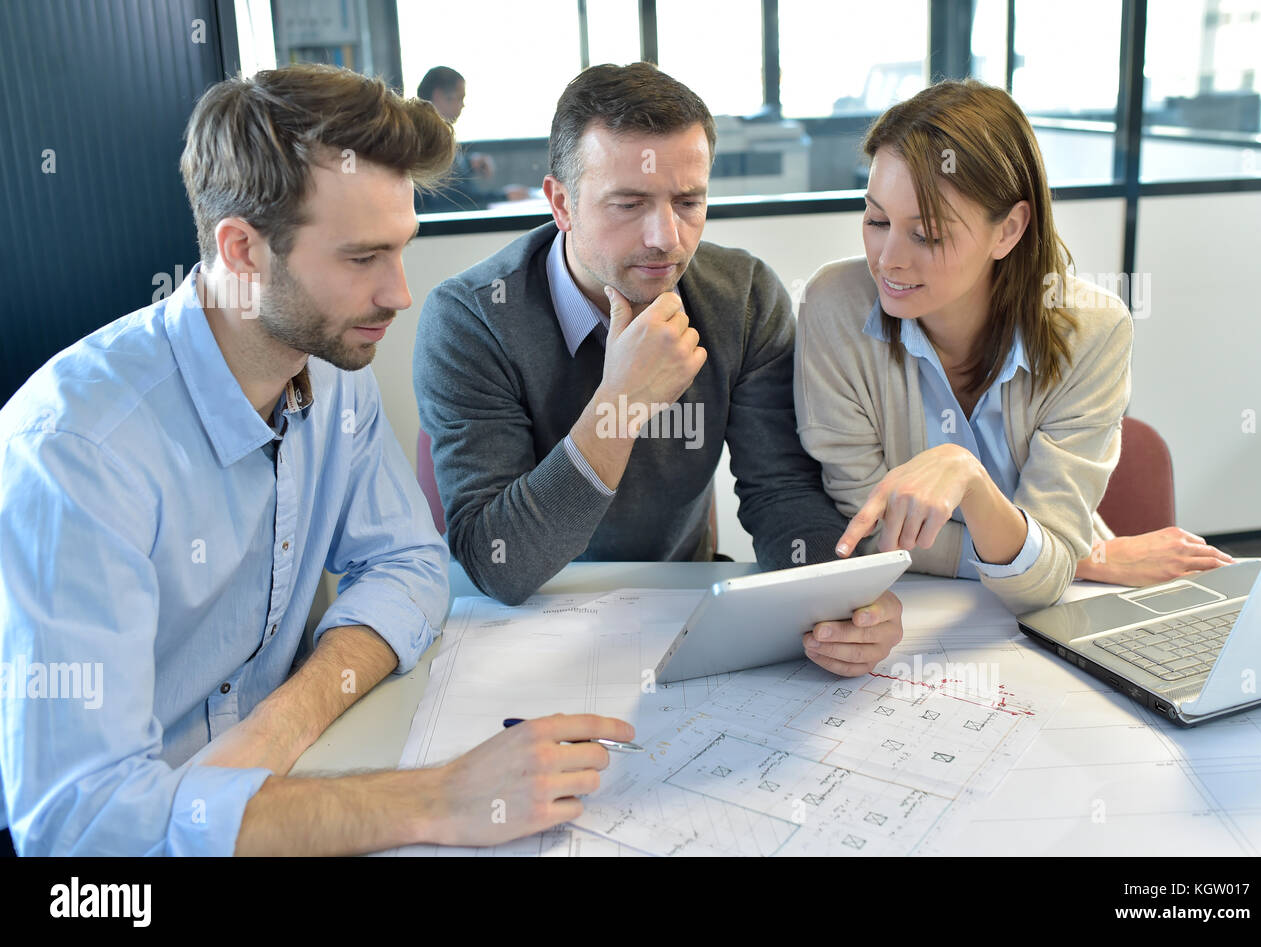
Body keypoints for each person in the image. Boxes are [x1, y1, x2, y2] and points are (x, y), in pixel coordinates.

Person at [0, 63, 630, 857]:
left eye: (401, 249)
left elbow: (408, 565)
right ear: (241, 250)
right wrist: (436, 797)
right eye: (362, 258)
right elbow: (83, 832)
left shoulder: (328, 370)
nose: (400, 293)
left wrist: (283, 722)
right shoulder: (73, 456)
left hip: (284, 780)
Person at [414, 62, 902, 677]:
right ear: (561, 203)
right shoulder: (470, 320)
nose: (666, 238)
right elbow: (498, 564)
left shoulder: (744, 296)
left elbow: (780, 493)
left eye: (689, 202)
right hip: (516, 632)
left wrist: (841, 599)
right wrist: (620, 402)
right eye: (629, 203)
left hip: (679, 611)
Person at [795, 79, 1232, 616]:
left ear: (1009, 229)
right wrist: (1079, 557)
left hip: (1046, 614)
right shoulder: (833, 306)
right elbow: (864, 532)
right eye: (877, 220)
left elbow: (1043, 581)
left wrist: (971, 481)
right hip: (912, 614)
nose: (887, 260)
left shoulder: (1092, 332)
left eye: (927, 235)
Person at [414, 65, 530, 212]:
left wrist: (469, 162)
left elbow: (449, 178)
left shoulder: (432, 133)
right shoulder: (427, 138)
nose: (462, 105)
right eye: (459, 98)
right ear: (438, 96)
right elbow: (455, 199)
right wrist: (503, 197)